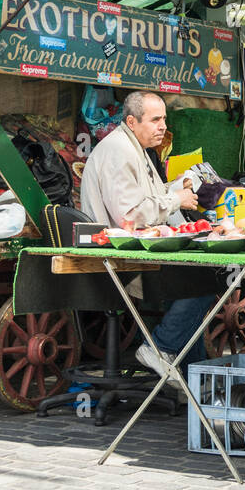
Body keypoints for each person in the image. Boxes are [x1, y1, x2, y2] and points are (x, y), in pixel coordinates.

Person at [82, 91, 214, 382]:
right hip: (120, 260)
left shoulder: (135, 148)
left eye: (164, 119)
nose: (163, 126)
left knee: (195, 280)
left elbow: (149, 198)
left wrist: (179, 188)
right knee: (206, 281)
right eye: (155, 120)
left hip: (136, 252)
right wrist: (176, 200)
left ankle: (195, 380)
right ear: (131, 121)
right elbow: (130, 215)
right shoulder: (120, 151)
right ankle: (162, 348)